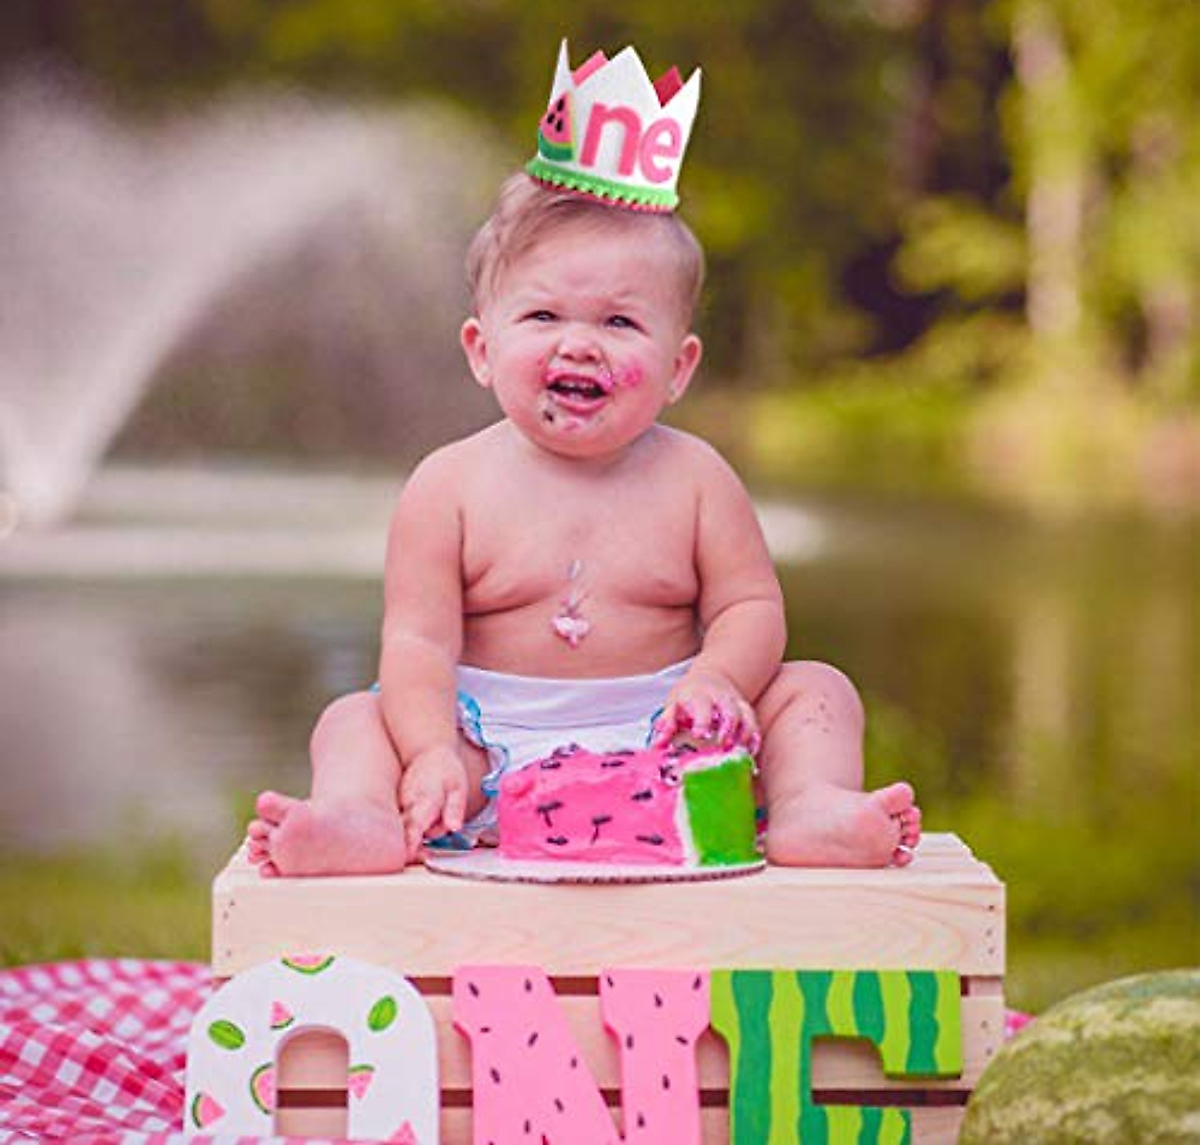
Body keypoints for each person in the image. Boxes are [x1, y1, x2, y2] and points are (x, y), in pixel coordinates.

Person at [247, 43, 920, 878]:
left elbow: (751, 606)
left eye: (620, 323)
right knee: (352, 719)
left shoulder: (697, 479)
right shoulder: (448, 486)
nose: (579, 344)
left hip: (668, 742)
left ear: (678, 368)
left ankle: (810, 806)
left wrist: (716, 678)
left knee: (816, 690)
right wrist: (428, 751)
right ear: (481, 349)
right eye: (543, 317)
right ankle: (362, 819)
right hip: (486, 752)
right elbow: (417, 641)